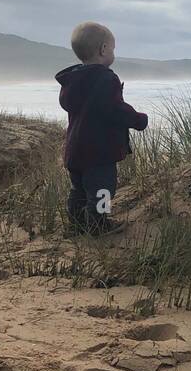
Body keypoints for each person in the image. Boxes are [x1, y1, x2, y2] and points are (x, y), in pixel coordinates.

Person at [55, 22, 148, 235]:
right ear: (103, 49)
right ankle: (99, 225)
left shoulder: (73, 80)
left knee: (78, 190)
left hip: (75, 149)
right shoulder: (105, 79)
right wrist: (139, 120)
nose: (113, 53)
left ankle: (77, 224)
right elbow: (115, 109)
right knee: (103, 190)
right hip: (99, 152)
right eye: (113, 49)